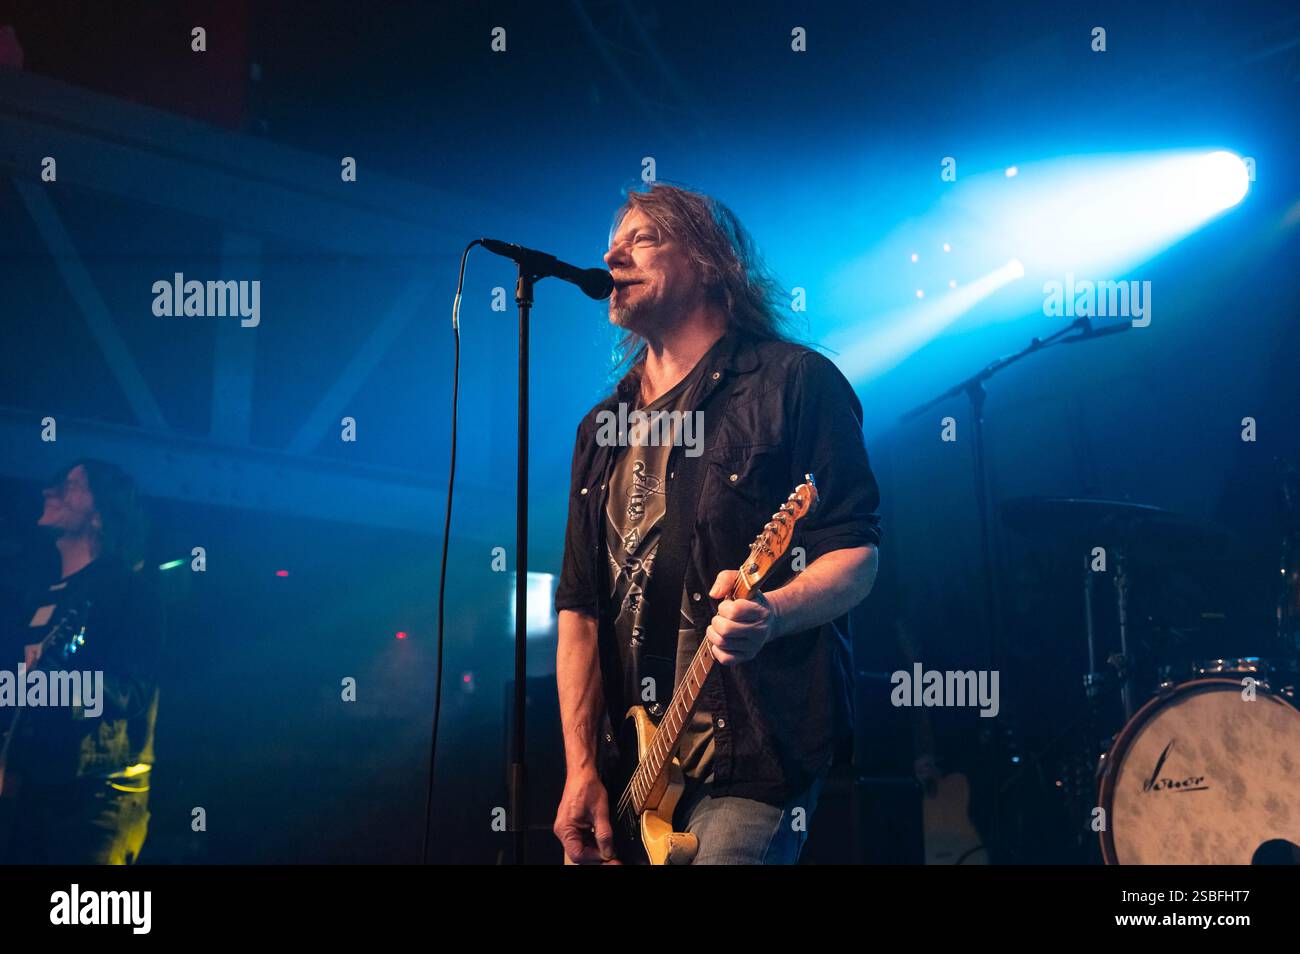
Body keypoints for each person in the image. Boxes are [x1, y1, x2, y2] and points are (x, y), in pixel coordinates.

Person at [552, 183, 881, 864]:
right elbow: (579, 611)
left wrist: (775, 613)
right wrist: (581, 768)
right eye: (613, 241)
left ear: (709, 260)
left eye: (642, 238)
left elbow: (855, 554)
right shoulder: (600, 431)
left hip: (752, 754)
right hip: (631, 772)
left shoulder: (794, 383)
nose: (612, 253)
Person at [0, 460, 162, 864]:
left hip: (96, 801)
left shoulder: (129, 589)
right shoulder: (38, 594)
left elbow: (131, 691)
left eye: (70, 485)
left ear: (100, 515)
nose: (48, 492)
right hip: (34, 792)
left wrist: (60, 679)